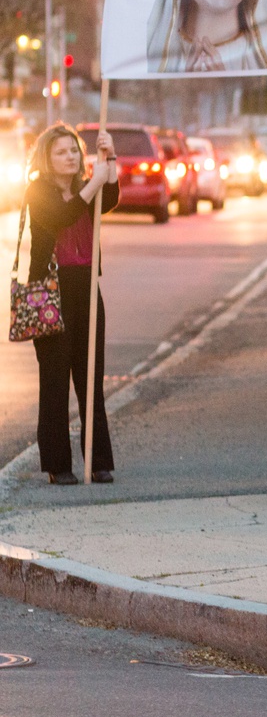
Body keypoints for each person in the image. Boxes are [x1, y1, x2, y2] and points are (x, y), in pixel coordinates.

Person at [24, 125, 119, 484]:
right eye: (62, 152)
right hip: (51, 292)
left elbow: (108, 200)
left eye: (75, 151)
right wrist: (95, 181)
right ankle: (57, 465)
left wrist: (110, 160)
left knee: (91, 377)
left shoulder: (84, 187)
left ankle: (98, 460)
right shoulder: (38, 190)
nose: (71, 157)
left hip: (86, 287)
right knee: (55, 380)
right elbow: (63, 215)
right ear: (47, 157)